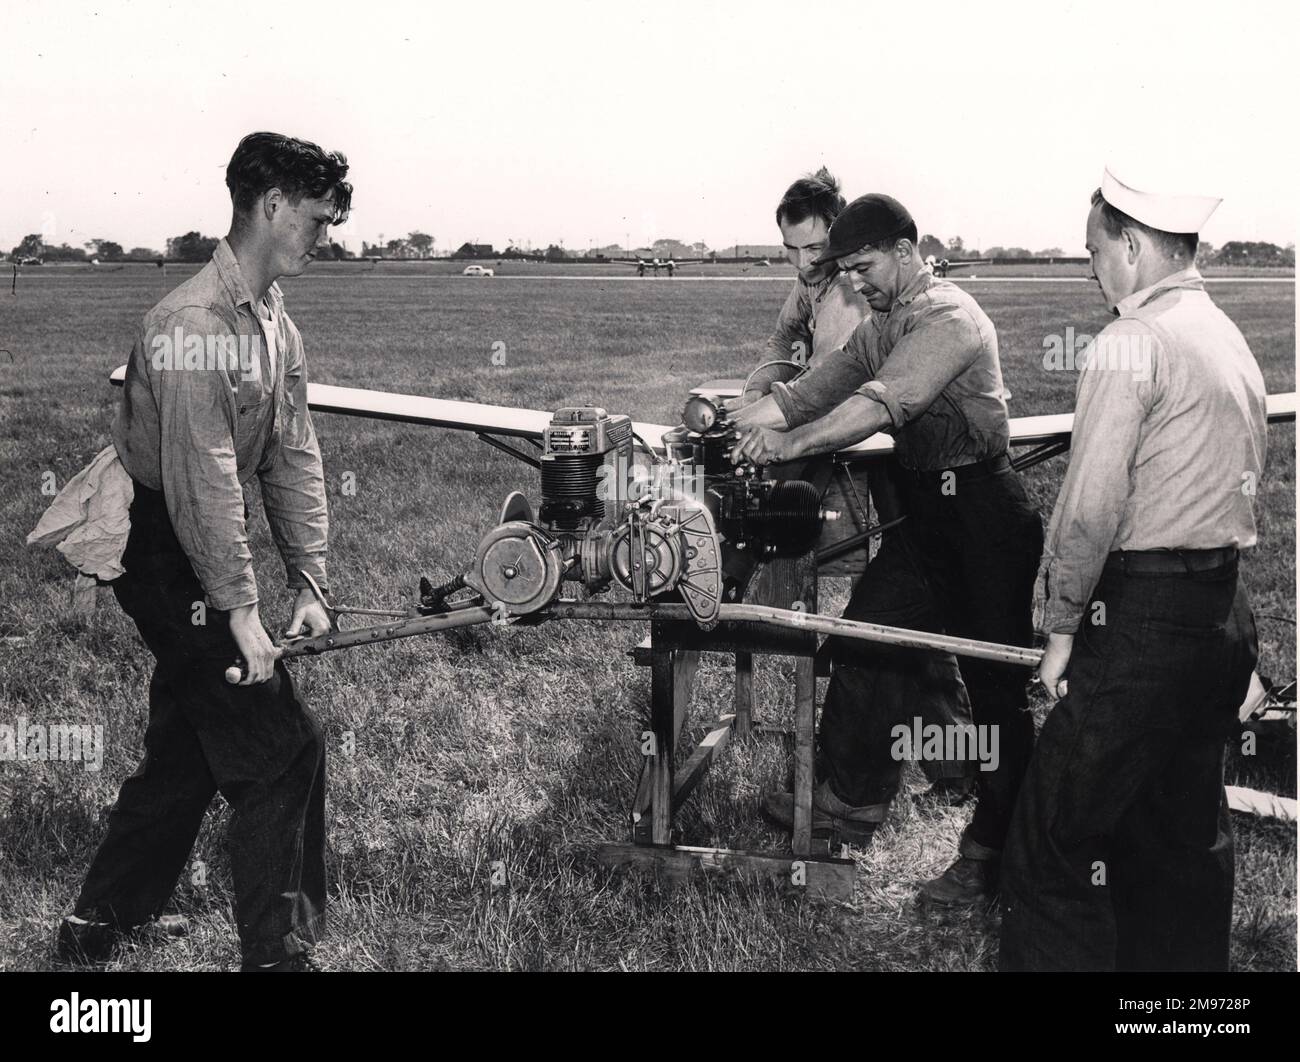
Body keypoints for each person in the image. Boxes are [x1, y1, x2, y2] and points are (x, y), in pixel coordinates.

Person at [55, 131, 351, 972]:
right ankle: (277, 953)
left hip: (198, 541)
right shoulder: (191, 324)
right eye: (317, 220)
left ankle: (95, 926)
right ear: (269, 207)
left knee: (188, 752)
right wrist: (241, 612)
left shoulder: (270, 321)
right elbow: (204, 484)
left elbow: (292, 452)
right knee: (281, 747)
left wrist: (311, 576)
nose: (325, 235)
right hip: (162, 548)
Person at [732, 193, 1043, 903]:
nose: (855, 281)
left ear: (906, 251)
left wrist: (788, 443)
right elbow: (811, 390)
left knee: (995, 690)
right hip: (927, 521)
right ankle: (853, 798)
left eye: (864, 266)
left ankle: (995, 851)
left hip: (985, 520)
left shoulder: (948, 319)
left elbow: (873, 406)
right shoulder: (880, 324)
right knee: (866, 637)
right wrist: (734, 428)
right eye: (847, 269)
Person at [999, 165, 1267, 971]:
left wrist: (1059, 632)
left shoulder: (1130, 341)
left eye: (1093, 251)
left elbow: (1087, 509)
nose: (1089, 270)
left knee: (1049, 846)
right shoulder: (1223, 333)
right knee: (1179, 836)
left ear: (1132, 243)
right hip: (1220, 616)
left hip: (1144, 625)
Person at [738, 169, 978, 806]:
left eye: (824, 252)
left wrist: (786, 438)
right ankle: (945, 774)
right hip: (909, 476)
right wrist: (751, 403)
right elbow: (808, 375)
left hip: (926, 482)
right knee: (898, 628)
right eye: (794, 252)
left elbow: (863, 402)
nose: (812, 266)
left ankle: (889, 784)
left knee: (899, 632)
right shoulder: (847, 297)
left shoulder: (904, 310)